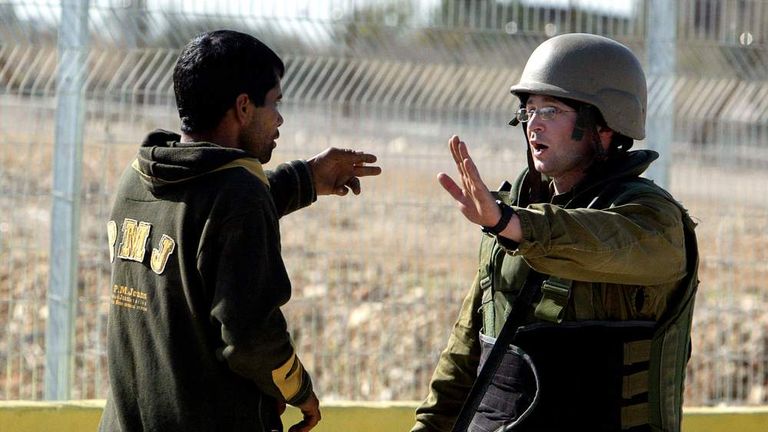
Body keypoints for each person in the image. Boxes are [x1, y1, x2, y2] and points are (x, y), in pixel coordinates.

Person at [412, 33, 699, 432]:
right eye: (529, 110)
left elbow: (600, 241)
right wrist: (429, 426)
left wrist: (512, 225)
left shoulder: (654, 220)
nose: (534, 124)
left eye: (551, 109)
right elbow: (469, 347)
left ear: (604, 124)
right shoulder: (512, 214)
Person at [99, 30, 381, 432]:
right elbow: (250, 337)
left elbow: (208, 214)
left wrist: (305, 178)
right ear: (244, 107)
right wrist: (299, 390)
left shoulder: (140, 179)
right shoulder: (237, 195)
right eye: (275, 103)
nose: (279, 118)